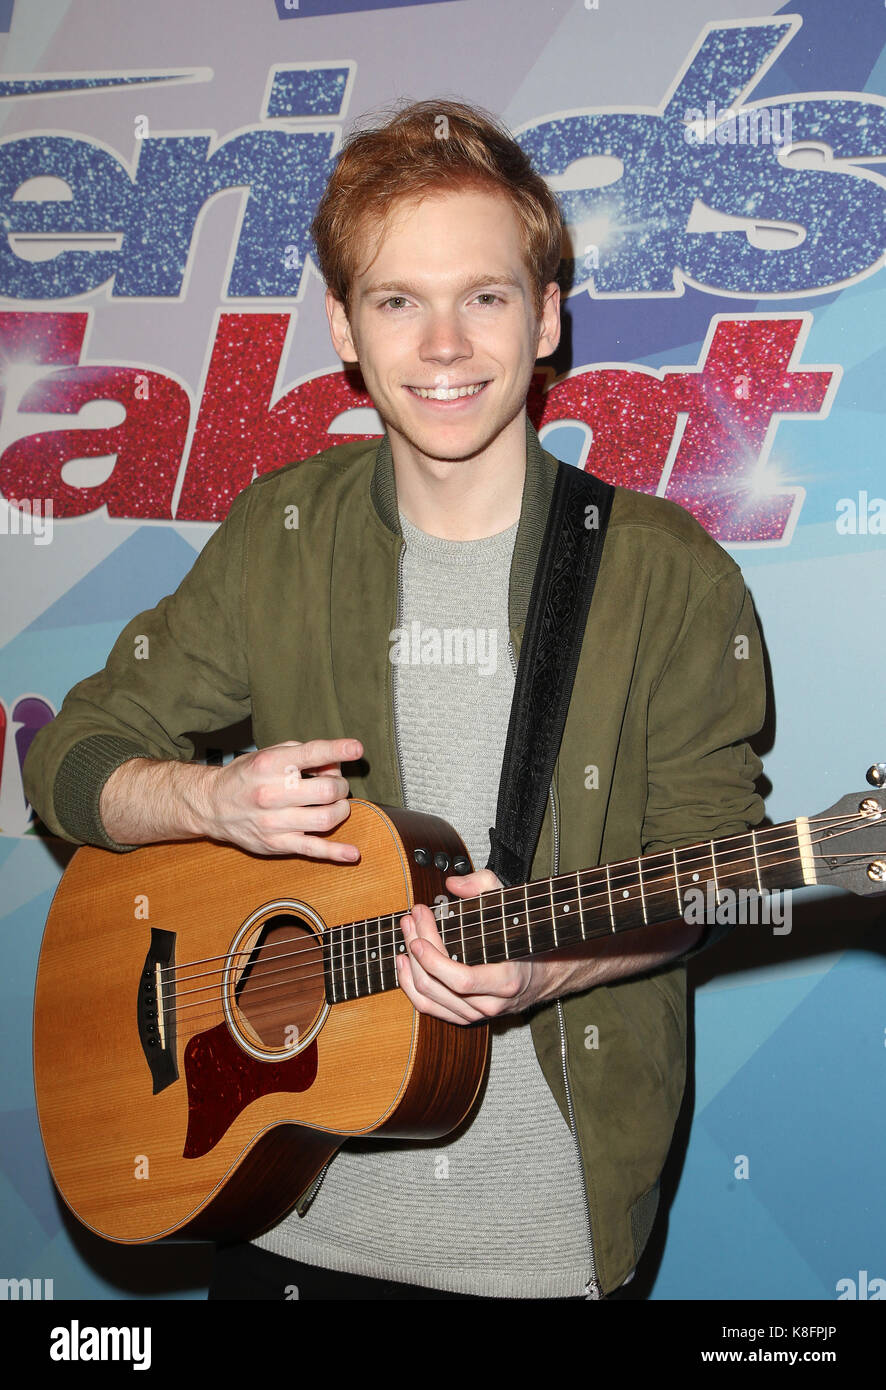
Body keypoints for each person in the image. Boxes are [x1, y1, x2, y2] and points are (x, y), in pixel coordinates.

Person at [24, 97, 766, 1301]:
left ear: (546, 317)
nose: (443, 347)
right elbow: (69, 759)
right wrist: (210, 799)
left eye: (483, 295)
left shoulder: (667, 573)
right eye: (396, 301)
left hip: (541, 1250)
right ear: (343, 329)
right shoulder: (281, 532)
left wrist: (546, 969)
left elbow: (709, 872)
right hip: (281, 1211)